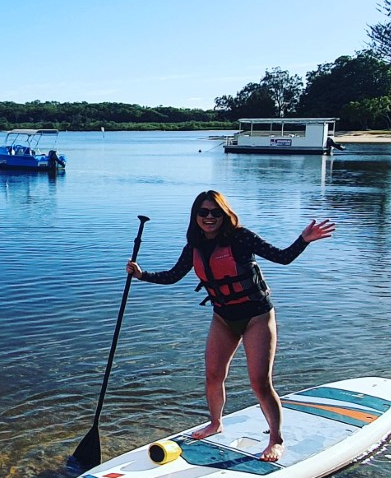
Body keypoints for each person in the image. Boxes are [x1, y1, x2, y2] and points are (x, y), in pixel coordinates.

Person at [126, 190, 335, 462]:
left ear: (224, 214)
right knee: (213, 375)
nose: (209, 217)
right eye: (203, 212)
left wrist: (303, 240)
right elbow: (174, 276)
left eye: (215, 212)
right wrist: (142, 275)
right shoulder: (195, 245)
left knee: (259, 382)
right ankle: (215, 423)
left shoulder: (241, 237)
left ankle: (276, 439)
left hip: (257, 316)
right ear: (196, 216)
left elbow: (282, 257)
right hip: (223, 318)